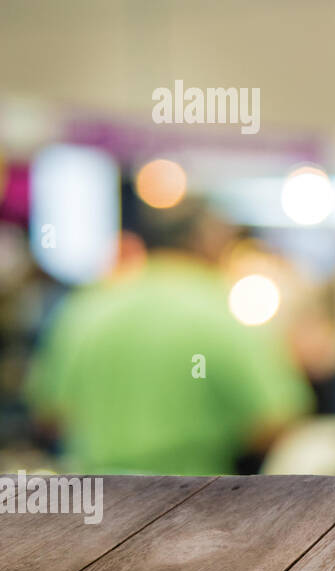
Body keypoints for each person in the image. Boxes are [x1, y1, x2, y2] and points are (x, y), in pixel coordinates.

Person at [26, 197, 312, 475]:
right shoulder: (219, 308)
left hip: (95, 502)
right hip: (195, 503)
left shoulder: (87, 305)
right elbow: (276, 419)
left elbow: (48, 414)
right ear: (208, 241)